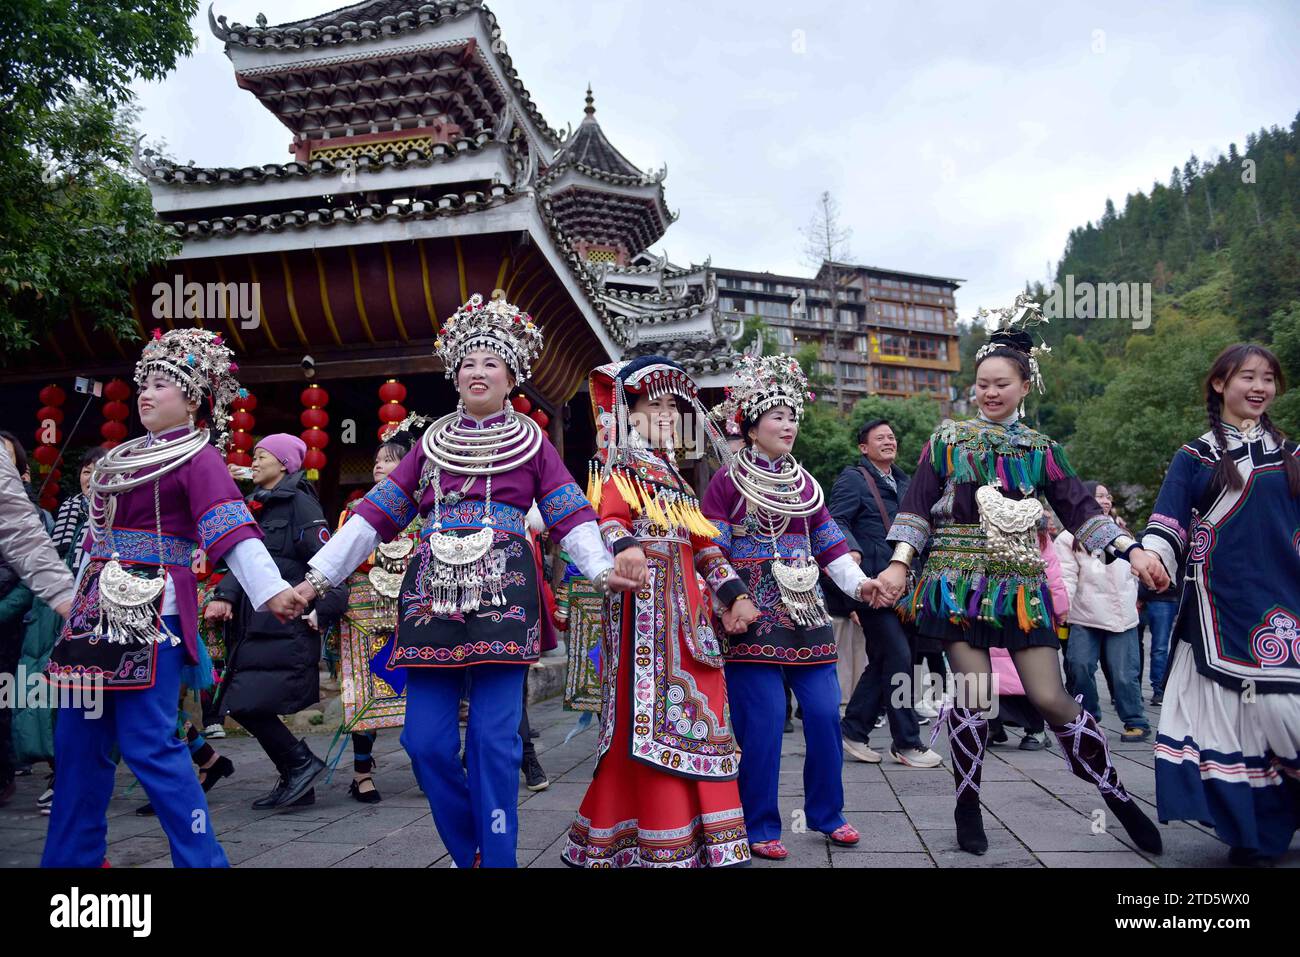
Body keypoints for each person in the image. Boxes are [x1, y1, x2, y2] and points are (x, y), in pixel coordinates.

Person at [296, 291, 635, 868]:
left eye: (491, 363)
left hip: (506, 597)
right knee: (423, 742)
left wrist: (602, 567)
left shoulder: (533, 444)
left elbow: (570, 514)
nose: (478, 372)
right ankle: (467, 848)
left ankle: (496, 858)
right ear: (455, 376)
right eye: (468, 363)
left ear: (512, 378)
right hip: (431, 601)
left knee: (492, 742)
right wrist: (315, 580)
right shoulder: (428, 446)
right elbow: (375, 515)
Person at [874, 295, 1166, 857]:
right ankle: (966, 801)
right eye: (982, 381)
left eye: (1001, 382)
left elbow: (1082, 510)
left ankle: (1116, 794)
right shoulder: (947, 440)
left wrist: (1131, 550)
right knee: (976, 693)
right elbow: (913, 508)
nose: (989, 391)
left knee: (1051, 697)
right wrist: (897, 565)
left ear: (1024, 386)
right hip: (956, 585)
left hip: (1022, 591)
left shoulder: (1042, 450)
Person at [42, 328, 306, 867]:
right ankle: (73, 863)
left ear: (191, 400)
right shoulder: (119, 458)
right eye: (144, 383)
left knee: (150, 746)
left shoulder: (199, 458)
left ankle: (202, 860)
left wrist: (272, 592)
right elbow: (91, 541)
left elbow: (231, 529)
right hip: (93, 614)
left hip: (153, 611)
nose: (146, 393)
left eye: (161, 384)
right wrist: (69, 601)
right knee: (76, 747)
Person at [561, 356, 751, 868]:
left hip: (687, 620)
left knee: (699, 717)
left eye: (674, 405)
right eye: (655, 404)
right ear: (630, 409)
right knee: (645, 718)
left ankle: (707, 837)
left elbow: (705, 546)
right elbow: (610, 519)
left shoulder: (676, 478)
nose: (667, 413)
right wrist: (626, 548)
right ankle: (653, 833)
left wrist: (734, 594)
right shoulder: (617, 467)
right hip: (644, 612)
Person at [701, 354, 877, 860]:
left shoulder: (806, 486)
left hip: (806, 612)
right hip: (751, 613)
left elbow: (830, 544)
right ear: (752, 428)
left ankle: (828, 814)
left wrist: (860, 584)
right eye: (777, 416)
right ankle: (757, 823)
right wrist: (733, 596)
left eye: (792, 416)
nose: (788, 425)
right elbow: (710, 548)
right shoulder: (727, 483)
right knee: (762, 724)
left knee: (824, 715)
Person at [1144, 343, 1300, 867]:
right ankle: (1251, 835)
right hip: (1214, 608)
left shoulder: (1293, 456)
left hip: (1284, 607)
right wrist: (1152, 558)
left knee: (1285, 713)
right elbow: (1167, 523)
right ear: (1219, 384)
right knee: (1228, 724)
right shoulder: (1196, 456)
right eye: (1248, 377)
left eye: (1269, 379)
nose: (1260, 388)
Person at [206, 433, 345, 811]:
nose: (254, 460)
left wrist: (321, 608)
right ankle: (298, 776)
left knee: (247, 702)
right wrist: (225, 596)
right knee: (243, 701)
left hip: (285, 624)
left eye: (262, 455)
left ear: (284, 463)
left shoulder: (300, 504)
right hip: (256, 624)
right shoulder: (258, 506)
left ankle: (300, 765)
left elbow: (328, 563)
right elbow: (244, 559)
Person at [830, 418, 942, 768]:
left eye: (892, 436)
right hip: (872, 587)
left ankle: (853, 729)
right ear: (864, 447)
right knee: (897, 657)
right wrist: (852, 551)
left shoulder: (907, 480)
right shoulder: (853, 479)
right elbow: (836, 520)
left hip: (906, 587)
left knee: (889, 658)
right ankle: (907, 742)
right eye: (880, 438)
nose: (889, 441)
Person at [332, 426, 425, 804]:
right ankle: (362, 773)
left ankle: (428, 764)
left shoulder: (422, 513)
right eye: (377, 461)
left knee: (420, 694)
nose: (379, 467)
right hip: (363, 617)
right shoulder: (355, 513)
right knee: (364, 694)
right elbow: (342, 562)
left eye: (389, 460)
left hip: (413, 616)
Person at [1056, 481, 1148, 742]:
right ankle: (1088, 718)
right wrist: (1062, 607)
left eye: (1108, 496)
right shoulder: (1067, 537)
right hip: (1084, 614)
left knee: (1124, 673)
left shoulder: (1123, 534)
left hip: (1122, 616)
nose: (1106, 501)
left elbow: (1135, 572)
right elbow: (1066, 576)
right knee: (1079, 665)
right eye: (1099, 497)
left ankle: (1135, 720)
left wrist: (1139, 597)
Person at [50, 447, 108, 571]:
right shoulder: (67, 508)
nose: (92, 478)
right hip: (61, 580)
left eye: (99, 472)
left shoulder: (116, 512)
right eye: (87, 472)